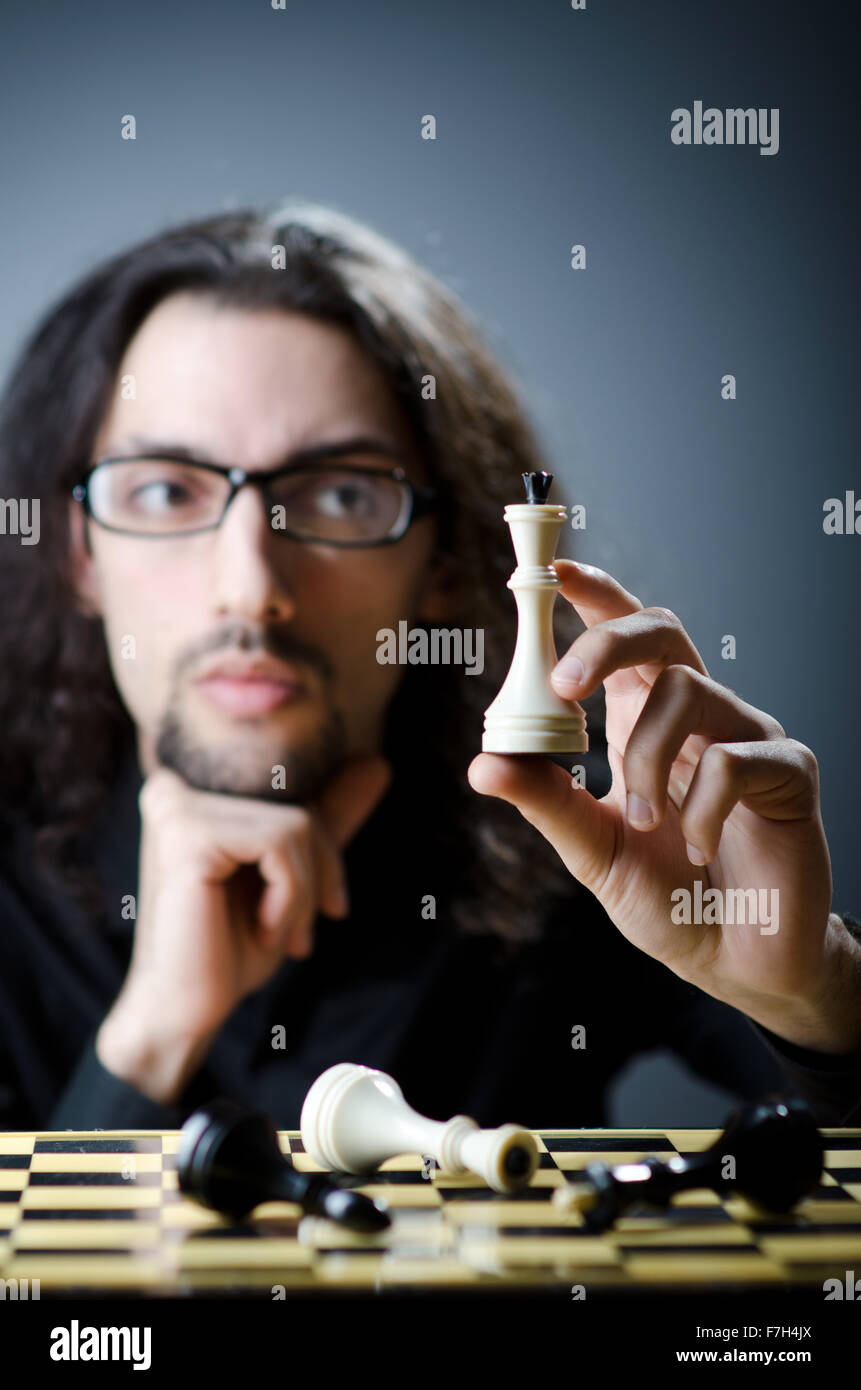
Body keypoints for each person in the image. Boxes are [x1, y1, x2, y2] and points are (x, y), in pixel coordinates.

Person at [1, 198, 859, 1135]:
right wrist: (150, 1038)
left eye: (338, 494)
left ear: (445, 563)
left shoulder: (607, 833)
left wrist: (815, 997)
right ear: (80, 552)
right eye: (166, 490)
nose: (249, 589)